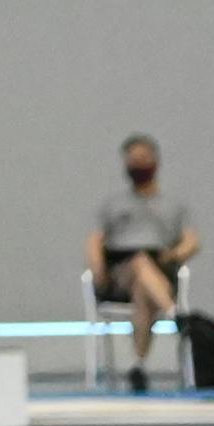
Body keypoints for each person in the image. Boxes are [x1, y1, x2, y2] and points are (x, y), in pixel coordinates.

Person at [87, 132, 199, 392]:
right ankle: (176, 315)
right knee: (138, 263)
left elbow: (191, 240)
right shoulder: (113, 205)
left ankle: (138, 365)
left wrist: (174, 255)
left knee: (143, 289)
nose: (138, 165)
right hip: (119, 272)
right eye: (133, 160)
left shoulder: (173, 205)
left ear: (156, 162)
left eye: (143, 159)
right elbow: (95, 240)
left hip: (159, 269)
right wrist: (98, 269)